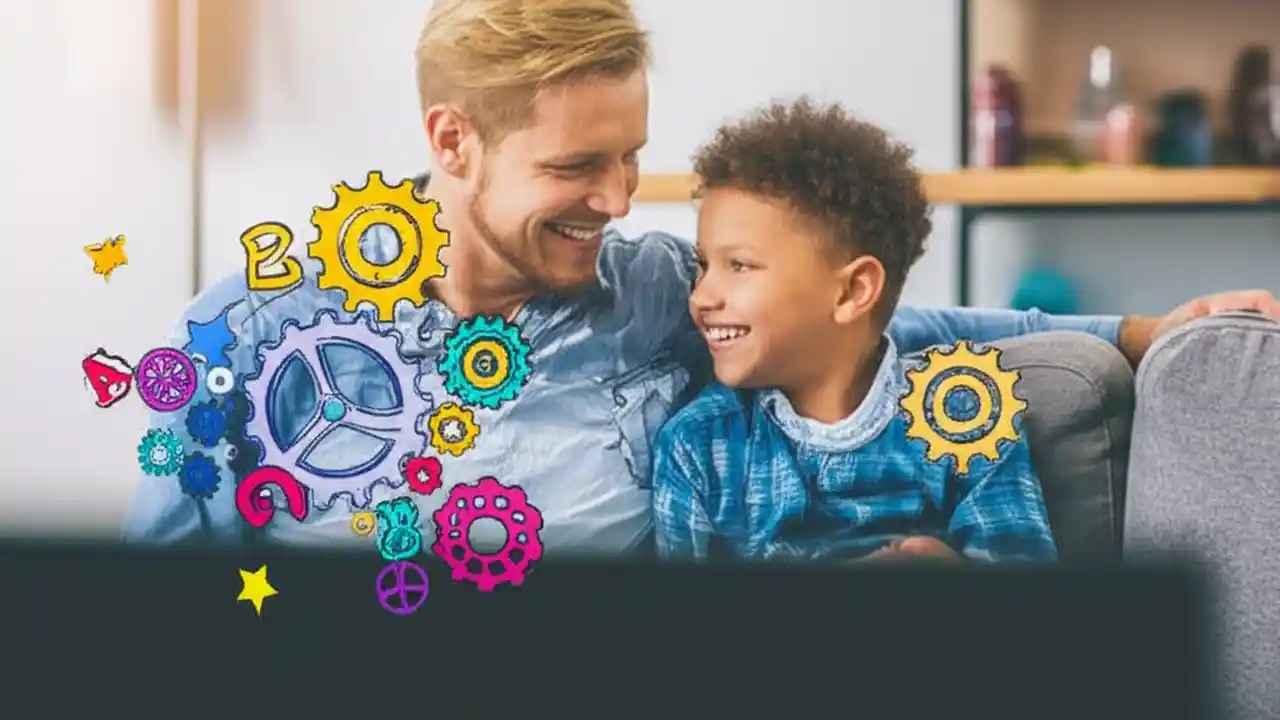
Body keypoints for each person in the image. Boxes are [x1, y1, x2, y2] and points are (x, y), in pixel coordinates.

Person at [123, 0, 1279, 555]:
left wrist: (1135, 328)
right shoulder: (250, 333)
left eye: (631, 158)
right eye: (577, 166)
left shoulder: (647, 294)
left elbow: (857, 314)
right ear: (451, 142)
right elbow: (153, 607)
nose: (620, 202)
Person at [651, 99, 1054, 563]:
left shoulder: (965, 409)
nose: (701, 296)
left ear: (851, 292)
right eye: (703, 265)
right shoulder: (698, 443)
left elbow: (1025, 606)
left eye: (739, 266)